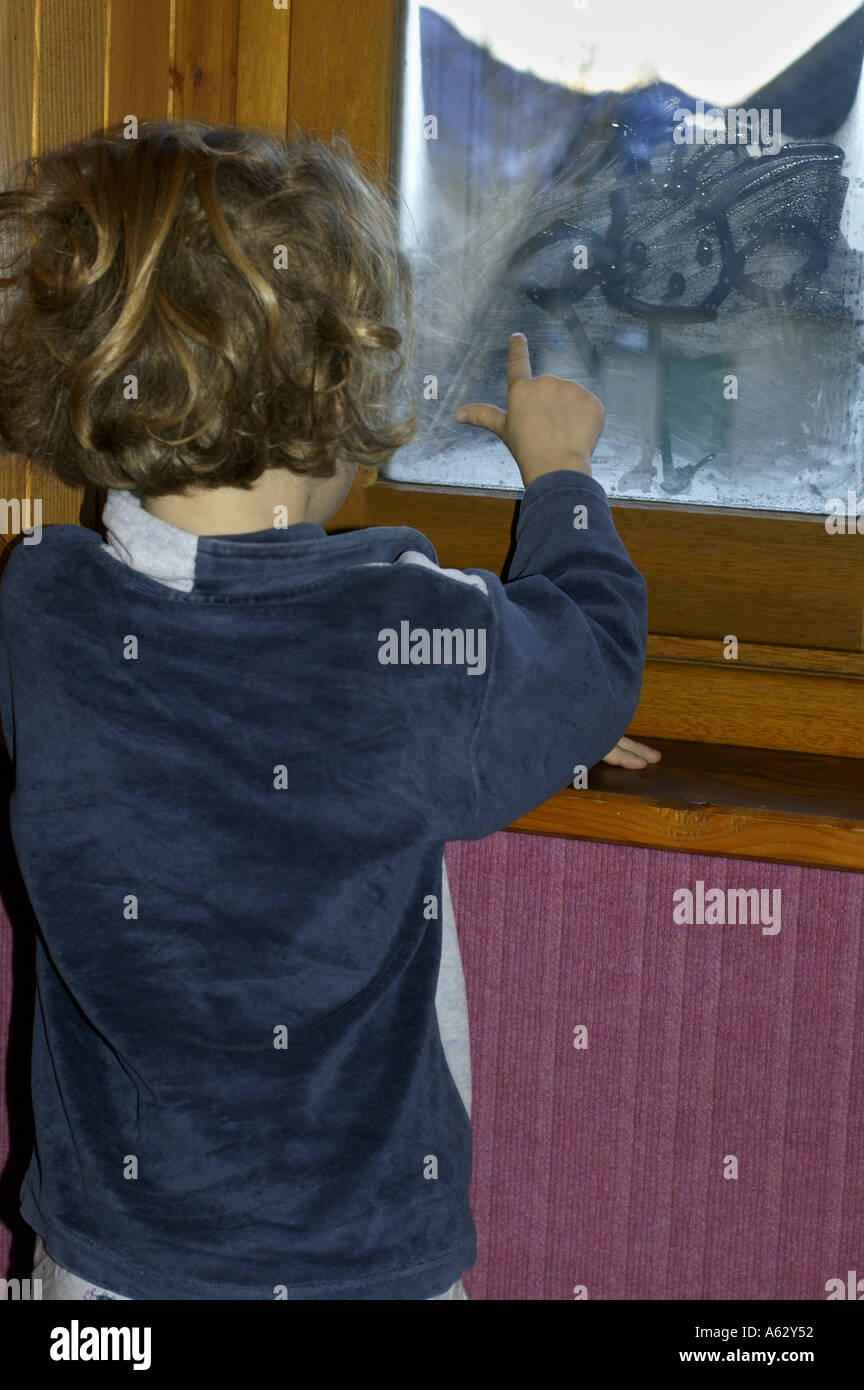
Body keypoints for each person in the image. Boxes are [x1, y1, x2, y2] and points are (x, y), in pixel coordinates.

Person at [0, 120, 655, 1300]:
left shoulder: (42, 614)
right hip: (362, 1269)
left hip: (107, 1275)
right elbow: (596, 656)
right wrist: (559, 480)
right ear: (340, 389)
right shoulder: (400, 636)